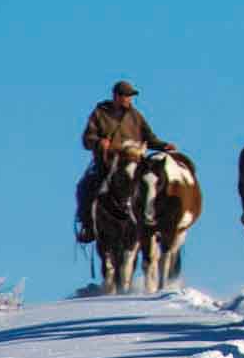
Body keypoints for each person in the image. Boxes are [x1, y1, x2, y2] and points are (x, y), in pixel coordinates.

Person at [75, 80, 175, 243]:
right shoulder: (100, 113)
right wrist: (99, 142)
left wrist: (163, 146)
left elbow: (149, 138)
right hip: (108, 163)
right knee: (84, 186)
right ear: (116, 96)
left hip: (134, 163)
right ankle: (88, 225)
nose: (129, 99)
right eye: (126, 96)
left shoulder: (135, 116)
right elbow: (87, 139)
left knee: (152, 183)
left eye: (130, 96)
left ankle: (154, 223)